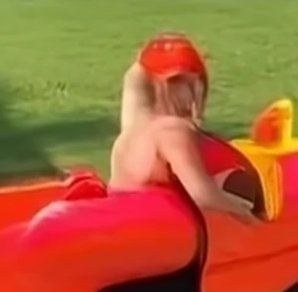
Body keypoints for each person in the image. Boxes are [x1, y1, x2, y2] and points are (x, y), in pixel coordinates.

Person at [110, 33, 259, 223]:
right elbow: (202, 195)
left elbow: (135, 86)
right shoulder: (173, 131)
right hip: (158, 237)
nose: (187, 92)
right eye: (177, 83)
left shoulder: (132, 131)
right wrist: (247, 214)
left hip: (122, 225)